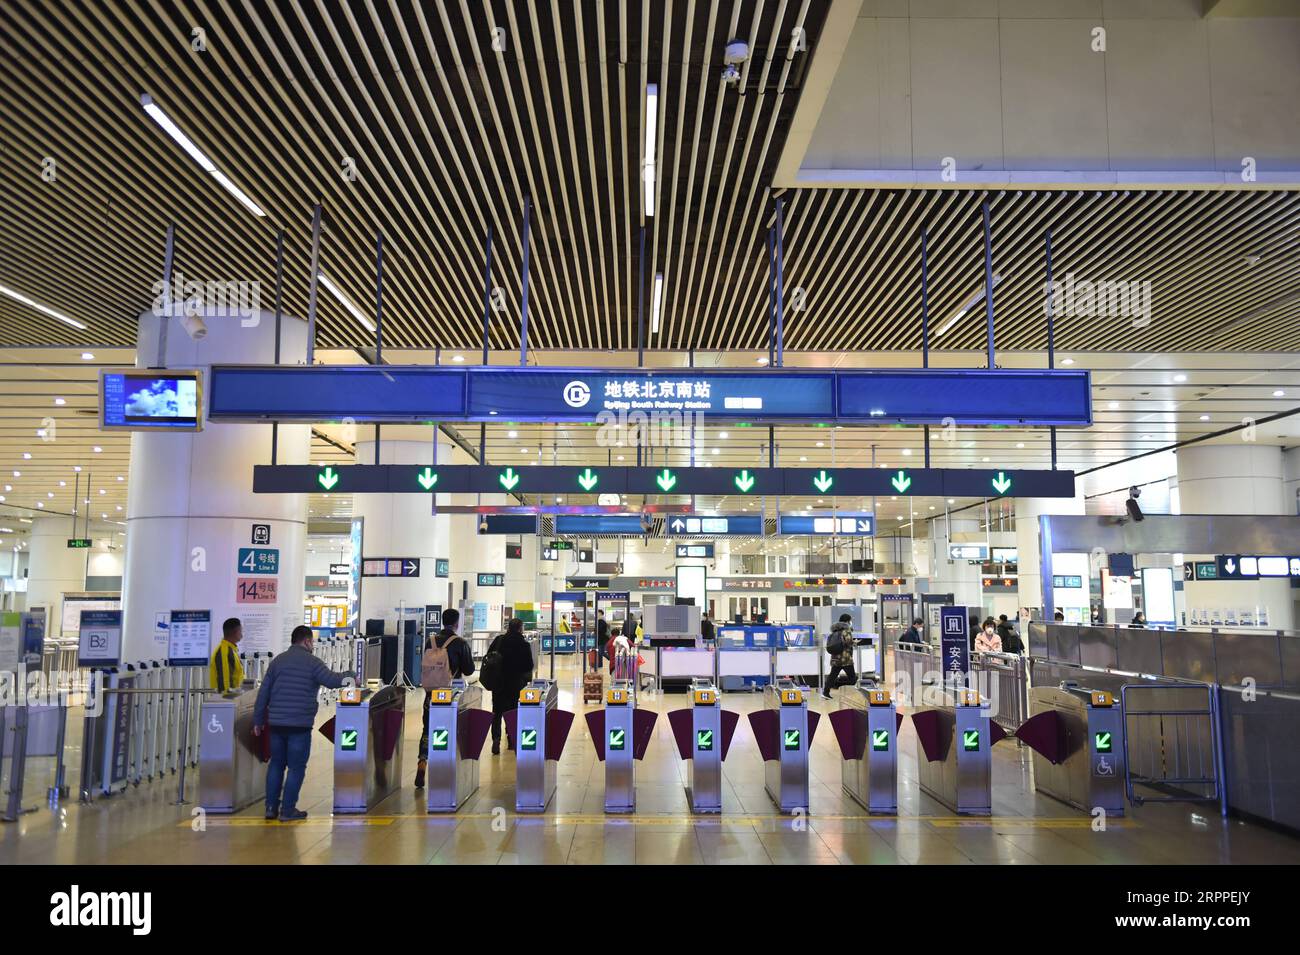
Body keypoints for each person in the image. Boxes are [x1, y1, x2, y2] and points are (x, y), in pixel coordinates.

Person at [252, 625, 354, 821]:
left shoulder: (278, 662)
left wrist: (258, 720)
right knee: (296, 767)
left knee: (276, 765)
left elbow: (263, 692)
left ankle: (271, 808)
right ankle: (287, 810)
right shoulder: (312, 662)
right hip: (299, 724)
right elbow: (332, 680)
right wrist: (350, 675)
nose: (313, 645)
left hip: (277, 724)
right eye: (312, 642)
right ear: (307, 641)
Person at [415, 608, 474, 788]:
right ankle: (445, 769)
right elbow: (469, 669)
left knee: (428, 729)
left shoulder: (429, 641)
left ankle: (422, 761)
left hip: (430, 695)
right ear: (456, 623)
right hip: (451, 695)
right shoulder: (460, 643)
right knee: (450, 730)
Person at [484, 617, 535, 755]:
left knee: (497, 712)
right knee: (513, 712)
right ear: (520, 628)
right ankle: (512, 739)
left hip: (498, 682)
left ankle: (496, 740)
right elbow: (529, 665)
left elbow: (489, 656)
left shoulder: (499, 640)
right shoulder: (523, 644)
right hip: (516, 683)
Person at [822, 613, 857, 699]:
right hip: (845, 659)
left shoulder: (835, 631)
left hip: (835, 658)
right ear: (847, 621)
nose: (851, 622)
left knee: (832, 676)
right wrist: (855, 642)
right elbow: (848, 642)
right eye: (850, 620)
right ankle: (850, 691)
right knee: (853, 678)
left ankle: (825, 692)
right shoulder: (846, 630)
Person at [210, 617, 245, 693]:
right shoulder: (224, 651)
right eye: (241, 631)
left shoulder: (230, 649)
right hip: (227, 700)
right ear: (235, 632)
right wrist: (228, 702)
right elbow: (225, 681)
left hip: (233, 697)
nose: (242, 634)